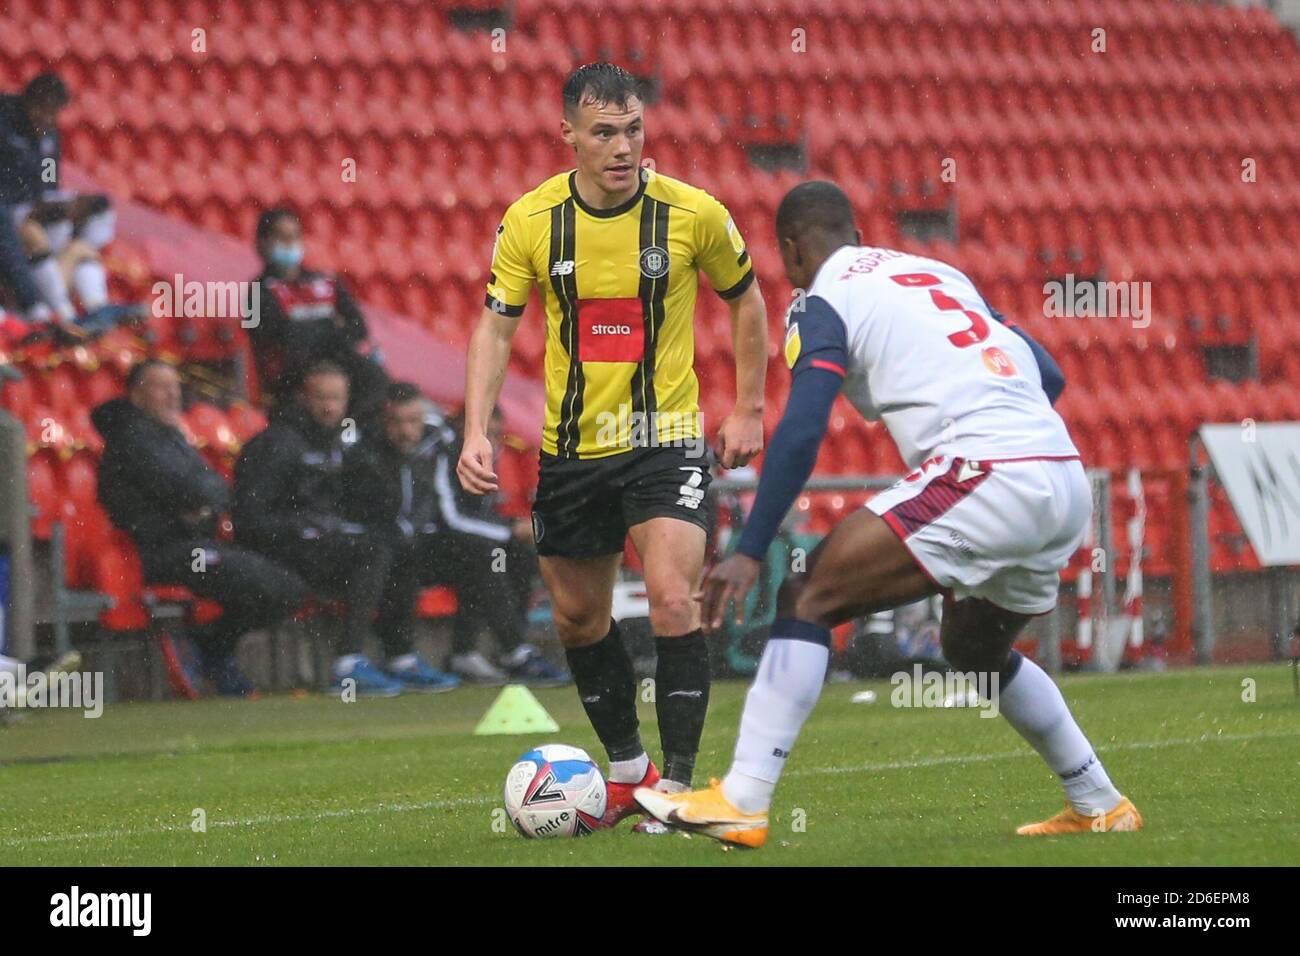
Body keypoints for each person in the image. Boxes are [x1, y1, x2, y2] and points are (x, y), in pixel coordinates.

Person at [636, 181, 1141, 846]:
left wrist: (751, 545)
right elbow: (1047, 374)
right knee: (974, 647)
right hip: (1060, 471)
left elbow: (804, 424)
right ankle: (1098, 801)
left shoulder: (823, 299)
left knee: (806, 592)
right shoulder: (936, 272)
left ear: (791, 249)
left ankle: (744, 798)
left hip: (988, 470)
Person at [94, 360, 306, 696]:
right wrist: (197, 502)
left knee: (287, 588)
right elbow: (192, 487)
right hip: (156, 554)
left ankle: (209, 646)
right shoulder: (132, 438)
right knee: (272, 587)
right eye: (162, 387)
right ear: (137, 395)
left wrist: (202, 503)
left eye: (176, 387)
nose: (173, 395)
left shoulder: (169, 436)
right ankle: (212, 650)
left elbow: (216, 488)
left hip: (193, 545)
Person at [346, 384, 566, 687]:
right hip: (400, 543)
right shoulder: (410, 449)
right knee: (482, 552)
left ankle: (474, 651)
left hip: (425, 542)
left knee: (511, 556)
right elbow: (451, 517)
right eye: (398, 421)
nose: (407, 430)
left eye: (413, 421)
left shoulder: (443, 443)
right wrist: (512, 529)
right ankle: (509, 652)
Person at [232, 360, 400, 696]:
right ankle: (347, 662)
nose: (329, 406)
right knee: (372, 553)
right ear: (303, 399)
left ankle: (401, 657)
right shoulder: (279, 443)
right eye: (321, 397)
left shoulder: (338, 443)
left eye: (336, 398)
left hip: (318, 544)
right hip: (280, 549)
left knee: (399, 546)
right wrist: (300, 528)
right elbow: (250, 517)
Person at [248, 206, 387, 420]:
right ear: (263, 242)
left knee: (377, 380)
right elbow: (277, 338)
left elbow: (358, 327)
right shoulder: (257, 291)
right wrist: (328, 330)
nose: (290, 243)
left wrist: (317, 334)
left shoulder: (326, 282)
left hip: (339, 362)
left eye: (294, 236)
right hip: (295, 375)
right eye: (282, 237)